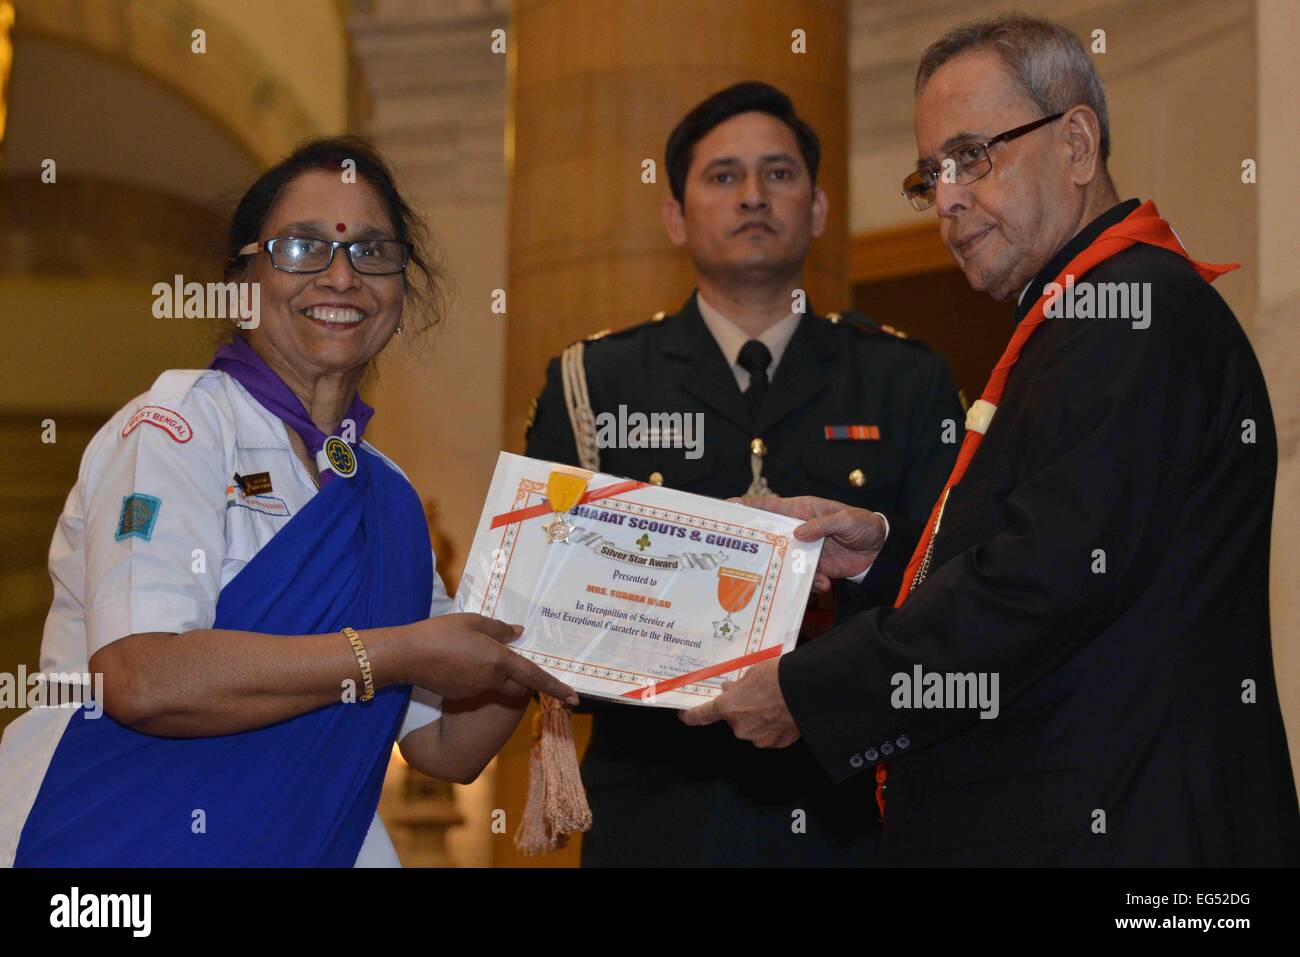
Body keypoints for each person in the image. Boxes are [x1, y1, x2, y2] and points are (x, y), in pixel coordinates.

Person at [684, 14, 1300, 866]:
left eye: (974, 156)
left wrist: (811, 692)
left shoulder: (1130, 313)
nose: (947, 198)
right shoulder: (1077, 320)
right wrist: (878, 563)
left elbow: (1041, 584)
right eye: (930, 173)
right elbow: (1039, 560)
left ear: (1077, 144)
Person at [0, 136, 577, 867]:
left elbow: (443, 746)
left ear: (401, 288)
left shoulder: (390, 497)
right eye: (302, 248)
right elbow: (141, 676)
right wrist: (395, 652)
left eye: (372, 251)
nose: (341, 276)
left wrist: (561, 620)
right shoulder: (177, 430)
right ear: (243, 279)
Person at [525, 82, 963, 866]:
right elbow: (541, 597)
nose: (753, 195)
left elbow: (950, 587)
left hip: (852, 816)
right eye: (723, 177)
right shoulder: (594, 382)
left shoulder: (906, 380)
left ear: (820, 209)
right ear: (674, 215)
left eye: (780, 174)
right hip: (658, 816)